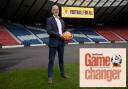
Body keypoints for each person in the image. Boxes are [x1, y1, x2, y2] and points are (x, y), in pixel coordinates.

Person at [46, 5, 70, 84]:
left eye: (57, 9)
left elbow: (65, 30)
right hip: (53, 43)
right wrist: (59, 35)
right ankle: (50, 77)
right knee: (51, 60)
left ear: (59, 11)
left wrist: (69, 34)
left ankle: (62, 74)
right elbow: (49, 31)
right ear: (52, 11)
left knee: (61, 60)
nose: (56, 10)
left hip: (61, 43)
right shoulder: (49, 20)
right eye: (54, 9)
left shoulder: (62, 21)